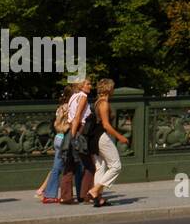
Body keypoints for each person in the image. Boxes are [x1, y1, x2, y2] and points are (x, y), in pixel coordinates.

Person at [86, 79, 130, 207]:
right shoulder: (104, 104)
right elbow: (106, 125)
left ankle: (98, 198)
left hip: (94, 138)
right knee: (116, 166)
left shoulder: (97, 102)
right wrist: (120, 136)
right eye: (113, 88)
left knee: (100, 167)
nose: (114, 90)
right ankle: (94, 190)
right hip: (102, 137)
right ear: (108, 89)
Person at [58, 77, 95, 204]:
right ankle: (85, 195)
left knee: (69, 165)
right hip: (79, 130)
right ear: (81, 85)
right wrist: (73, 137)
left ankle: (65, 196)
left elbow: (71, 116)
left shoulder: (73, 97)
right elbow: (77, 117)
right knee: (89, 165)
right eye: (88, 83)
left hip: (70, 129)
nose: (91, 86)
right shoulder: (83, 97)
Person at [39, 84, 77, 203]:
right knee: (60, 167)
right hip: (65, 137)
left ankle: (49, 193)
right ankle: (50, 194)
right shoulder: (70, 107)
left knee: (57, 167)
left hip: (58, 137)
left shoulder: (60, 107)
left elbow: (56, 124)